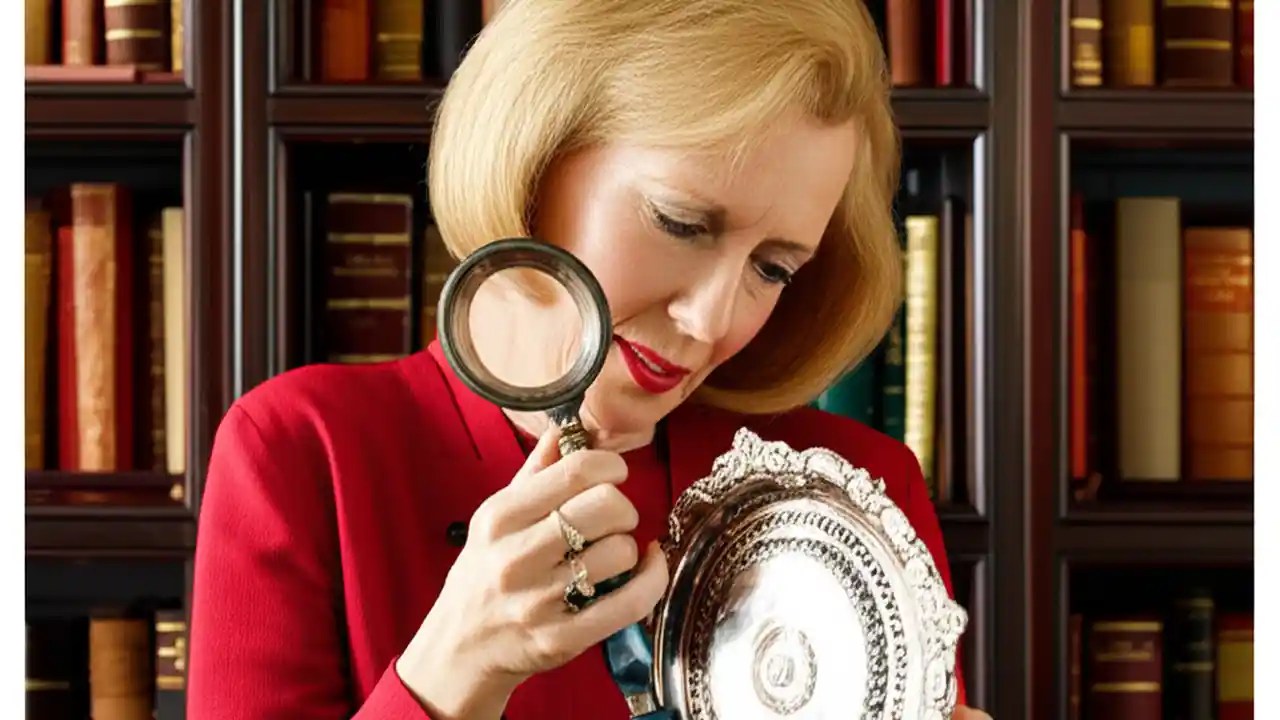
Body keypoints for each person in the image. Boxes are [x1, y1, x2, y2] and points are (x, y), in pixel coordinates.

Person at [186, 0, 991, 718]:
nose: (711, 319)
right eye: (681, 222)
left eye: (772, 268)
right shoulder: (301, 452)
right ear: (539, 149)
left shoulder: (848, 486)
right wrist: (453, 673)